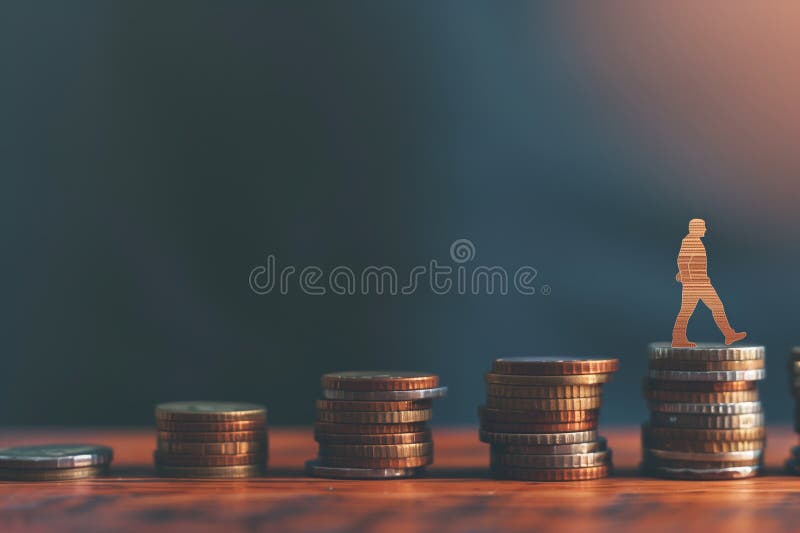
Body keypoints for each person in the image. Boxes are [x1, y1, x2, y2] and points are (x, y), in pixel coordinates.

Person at [672, 218, 747, 347]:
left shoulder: (694, 241)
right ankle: (679, 338)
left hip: (699, 282)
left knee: (706, 308)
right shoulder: (690, 241)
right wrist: (686, 277)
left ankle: (728, 334)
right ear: (695, 228)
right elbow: (682, 260)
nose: (705, 229)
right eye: (703, 227)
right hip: (696, 284)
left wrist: (684, 276)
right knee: (693, 310)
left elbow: (686, 261)